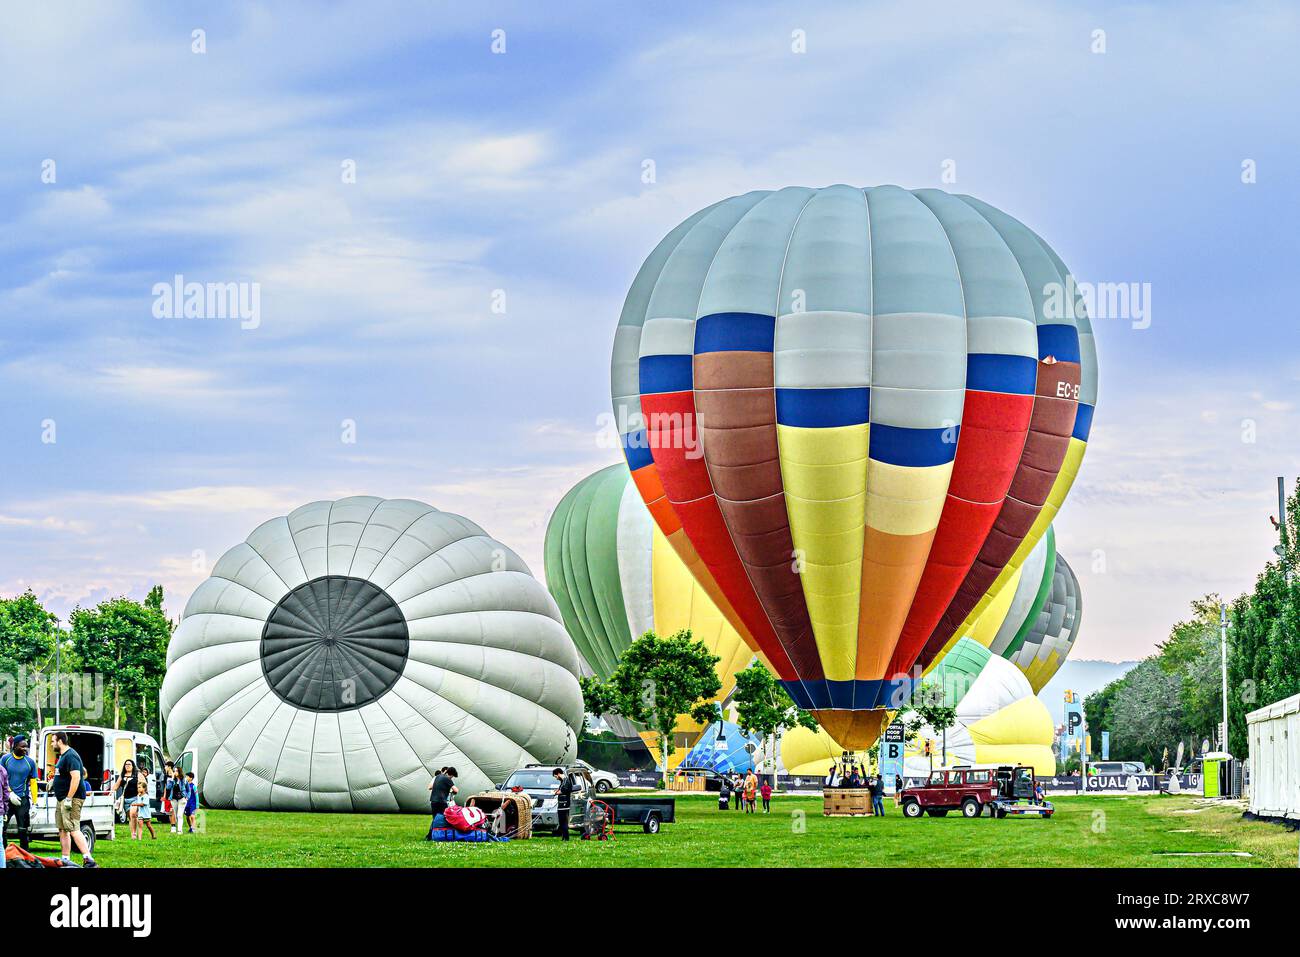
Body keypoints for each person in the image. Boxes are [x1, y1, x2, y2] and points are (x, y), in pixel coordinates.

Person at [50, 731, 96, 866]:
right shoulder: (63, 756)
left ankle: (89, 859)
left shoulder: (71, 755)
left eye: (53, 741)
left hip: (72, 798)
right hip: (61, 798)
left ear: (59, 741)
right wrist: (54, 781)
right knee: (63, 829)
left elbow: (76, 777)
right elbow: (65, 775)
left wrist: (69, 798)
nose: (52, 744)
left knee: (74, 829)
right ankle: (65, 859)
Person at [1, 734, 37, 851]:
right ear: (15, 746)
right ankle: (4, 855)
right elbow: (1, 779)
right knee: (3, 828)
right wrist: (10, 793)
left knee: (23, 830)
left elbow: (33, 783)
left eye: (26, 747)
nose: (25, 749)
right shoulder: (5, 759)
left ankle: (25, 856)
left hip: (23, 800)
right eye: (22, 747)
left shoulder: (30, 762)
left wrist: (35, 804)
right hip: (7, 799)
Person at [113, 758, 141, 838]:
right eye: (126, 764)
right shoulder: (122, 775)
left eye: (129, 764)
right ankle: (133, 832)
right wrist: (109, 793)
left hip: (135, 798)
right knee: (130, 817)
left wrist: (141, 794)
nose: (127, 766)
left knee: (133, 814)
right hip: (125, 800)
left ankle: (134, 834)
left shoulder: (137, 775)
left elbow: (143, 784)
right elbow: (116, 786)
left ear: (133, 766)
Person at [136, 766, 157, 839]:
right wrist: (136, 810)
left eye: (139, 787)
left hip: (146, 813)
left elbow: (143, 804)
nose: (138, 789)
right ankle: (139, 839)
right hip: (141, 813)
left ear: (144, 788)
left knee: (148, 825)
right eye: (138, 787)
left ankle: (153, 833)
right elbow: (139, 805)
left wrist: (134, 804)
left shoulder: (146, 796)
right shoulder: (138, 796)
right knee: (140, 825)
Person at [553, 767, 573, 841]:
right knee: (562, 821)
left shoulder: (565, 781)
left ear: (558, 774)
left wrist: (556, 792)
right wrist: (557, 790)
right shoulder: (563, 781)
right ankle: (564, 836)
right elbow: (561, 789)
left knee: (563, 820)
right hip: (562, 804)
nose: (556, 778)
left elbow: (563, 790)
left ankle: (566, 837)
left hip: (564, 804)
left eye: (555, 776)